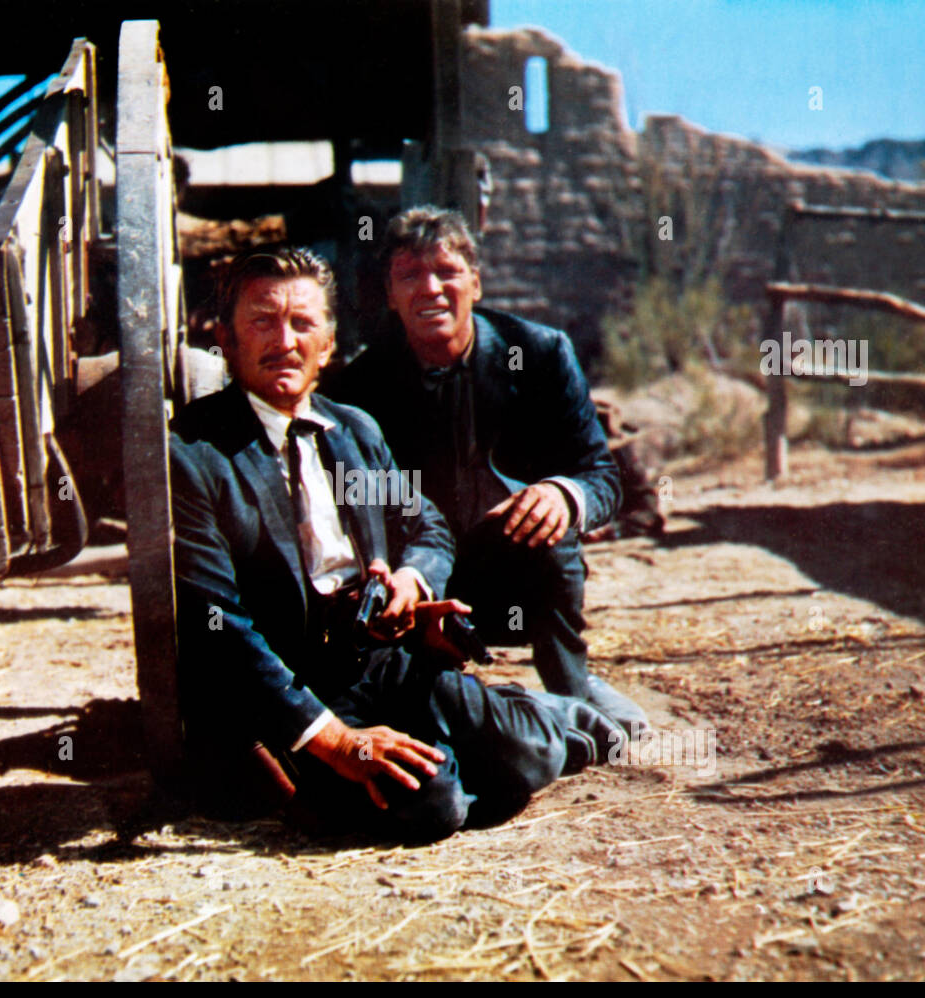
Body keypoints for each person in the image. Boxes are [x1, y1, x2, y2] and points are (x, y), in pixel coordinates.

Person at [169, 246, 631, 842]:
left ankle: (535, 720)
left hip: (383, 659)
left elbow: (427, 528)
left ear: (328, 344)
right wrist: (334, 741)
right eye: (263, 321)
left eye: (303, 323)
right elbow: (217, 623)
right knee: (432, 805)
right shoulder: (194, 454)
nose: (284, 341)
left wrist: (412, 584)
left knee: (528, 756)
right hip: (291, 692)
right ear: (227, 341)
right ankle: (463, 746)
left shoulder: (355, 432)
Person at [327, 207, 647, 732]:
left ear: (475, 284)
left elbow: (601, 475)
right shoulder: (357, 388)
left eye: (446, 272)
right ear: (389, 295)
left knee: (548, 521)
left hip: (511, 574)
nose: (429, 288)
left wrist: (564, 495)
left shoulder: (539, 354)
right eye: (409, 275)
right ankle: (450, 693)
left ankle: (570, 687)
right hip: (415, 584)